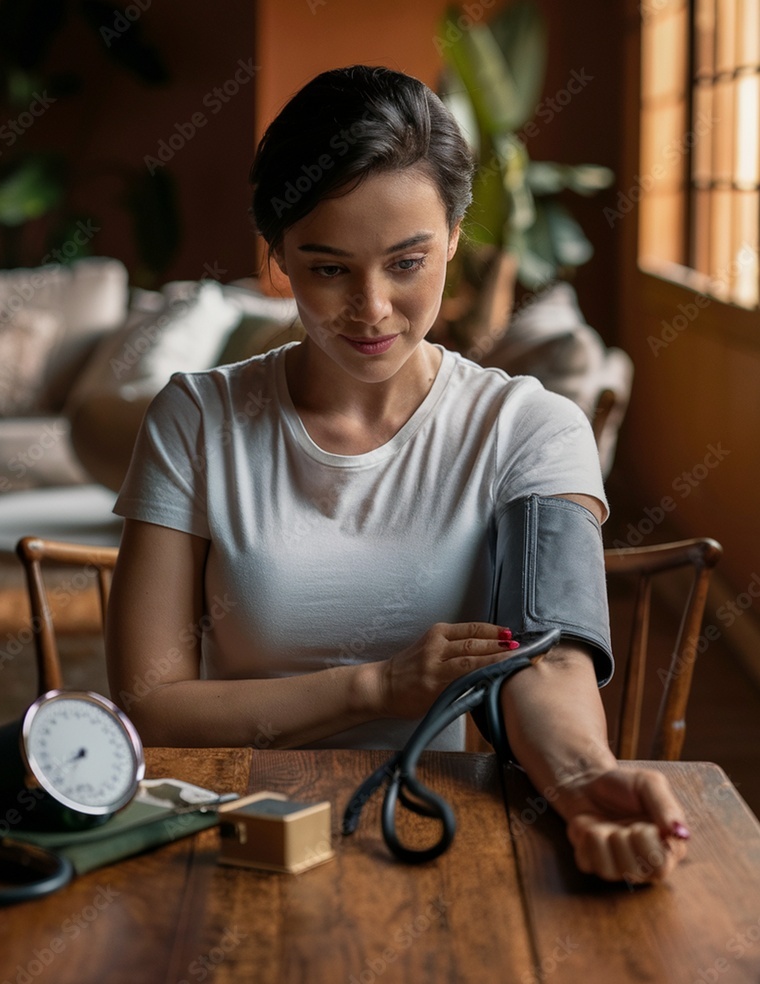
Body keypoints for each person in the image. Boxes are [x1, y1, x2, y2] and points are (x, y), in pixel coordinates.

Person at [106, 65, 688, 883]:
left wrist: (583, 778)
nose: (372, 309)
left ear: (454, 234)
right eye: (329, 268)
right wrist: (375, 687)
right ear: (277, 255)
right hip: (233, 833)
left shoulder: (528, 428)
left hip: (424, 832)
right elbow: (148, 705)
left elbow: (545, 656)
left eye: (407, 262)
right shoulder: (197, 420)